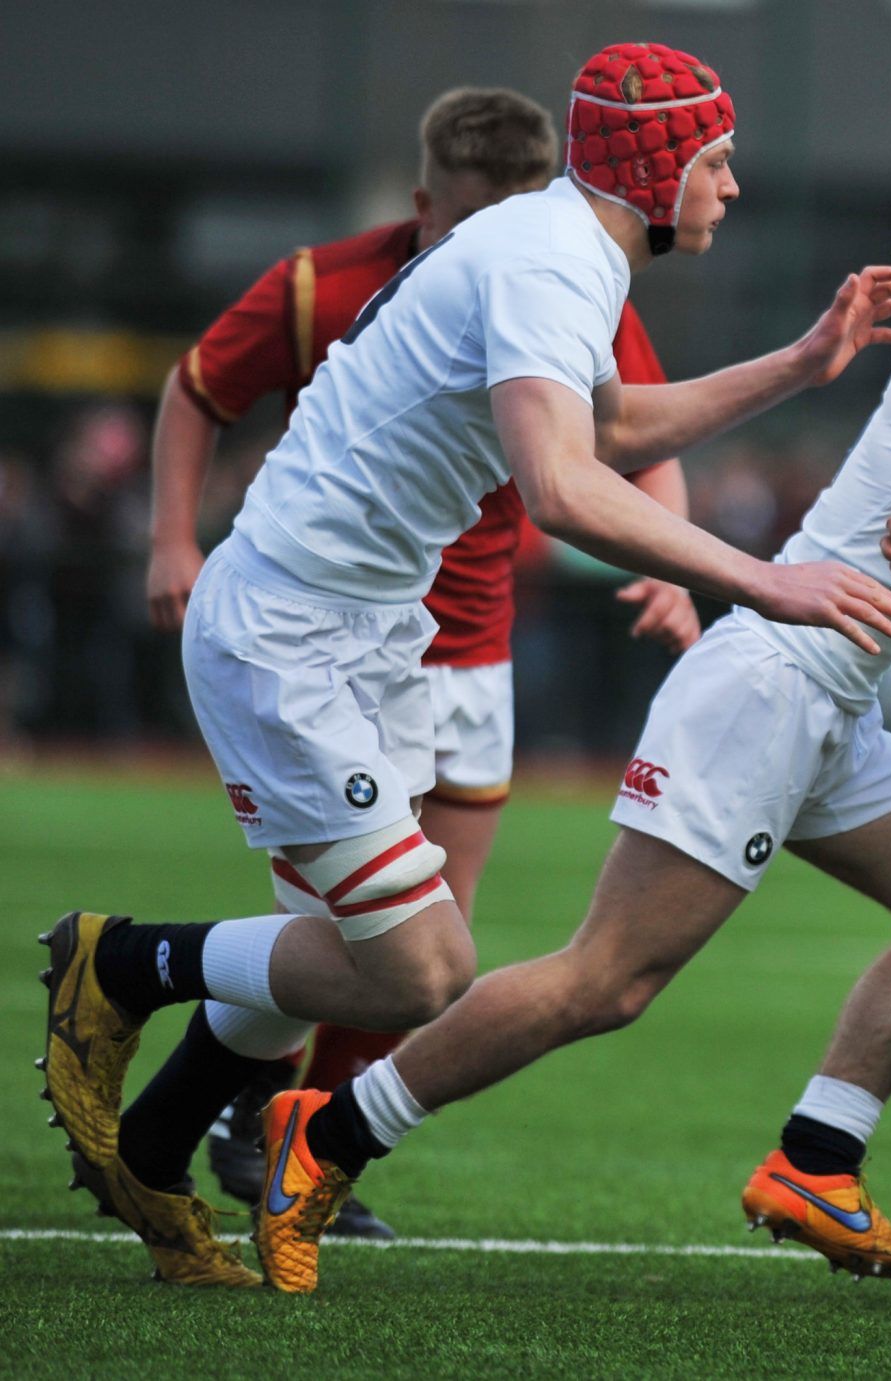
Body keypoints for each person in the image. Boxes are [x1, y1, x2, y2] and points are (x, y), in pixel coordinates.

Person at [251, 144, 891, 1293]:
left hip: (827, 694)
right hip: (771, 683)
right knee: (608, 981)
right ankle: (332, 1131)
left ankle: (815, 1161)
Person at [41, 41, 891, 1292]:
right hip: (288, 633)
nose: (730, 188)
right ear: (663, 160)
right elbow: (564, 490)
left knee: (329, 949)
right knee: (421, 970)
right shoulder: (549, 260)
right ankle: (124, 962)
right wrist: (764, 576)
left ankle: (149, 1146)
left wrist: (797, 363)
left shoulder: (554, 247)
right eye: (717, 162)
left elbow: (609, 427)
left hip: (364, 630)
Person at [133, 84, 700, 1247]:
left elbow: (626, 427)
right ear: (422, 205)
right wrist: (169, 537)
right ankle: (172, 1018)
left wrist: (692, 543)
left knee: (400, 924)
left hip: (450, 638)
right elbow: (199, 387)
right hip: (307, 619)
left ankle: (230, 1135)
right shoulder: (351, 278)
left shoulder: (571, 269)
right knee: (409, 953)